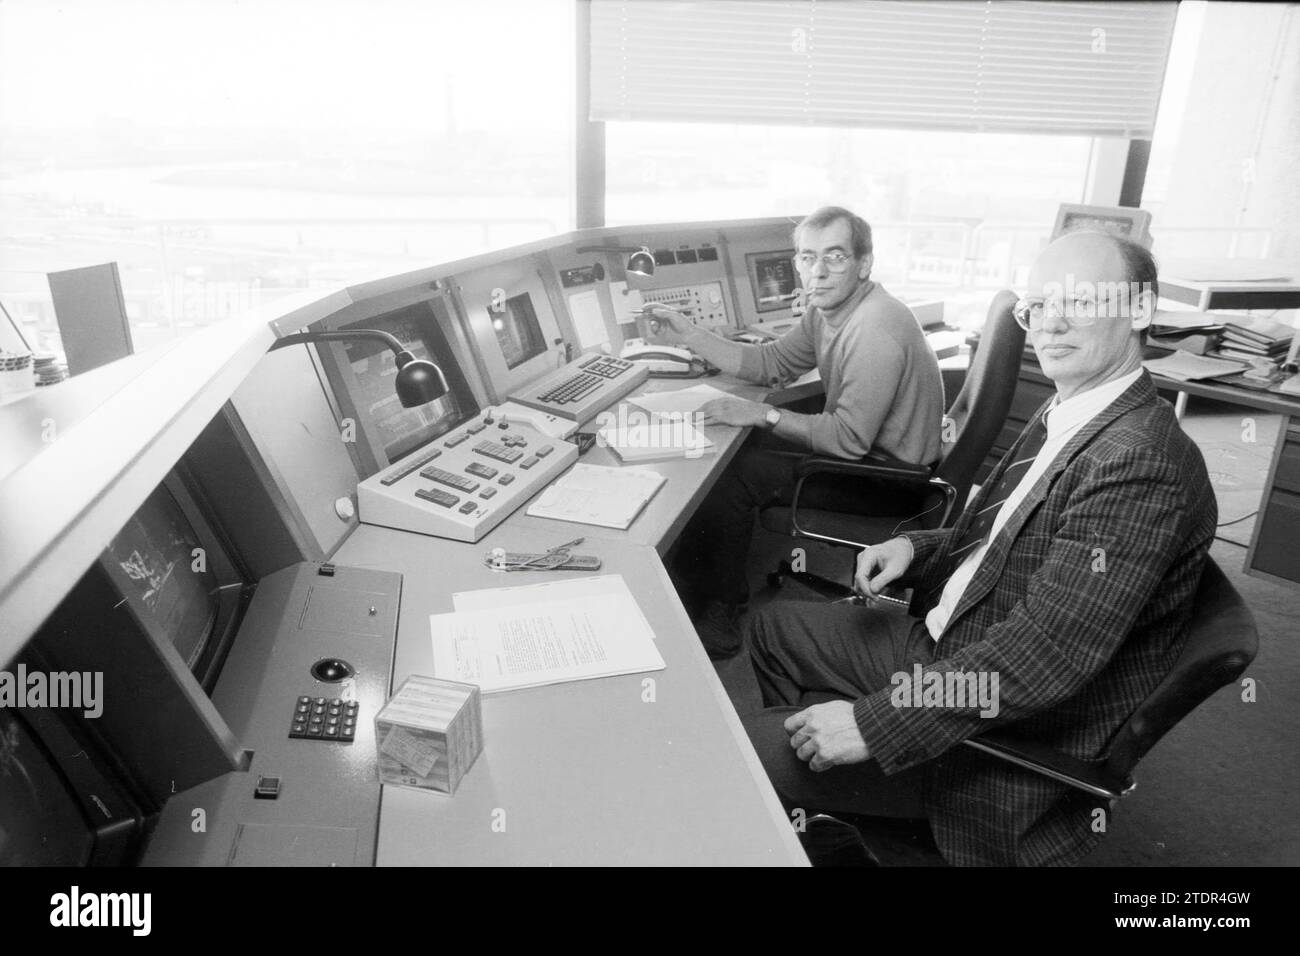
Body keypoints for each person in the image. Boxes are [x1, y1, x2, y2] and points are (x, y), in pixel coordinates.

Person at [744, 231, 1218, 866]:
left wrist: (875, 724)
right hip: (959, 645)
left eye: (1078, 300)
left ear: (1138, 309)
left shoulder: (1138, 462)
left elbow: (1045, 656)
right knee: (773, 628)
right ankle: (853, 805)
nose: (1051, 324)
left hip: (1004, 725)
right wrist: (917, 547)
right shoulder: (1073, 408)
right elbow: (1008, 537)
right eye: (1039, 306)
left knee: (746, 752)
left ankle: (894, 813)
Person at [647, 206, 945, 658]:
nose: (818, 272)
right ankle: (691, 590)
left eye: (835, 257)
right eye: (807, 258)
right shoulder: (828, 309)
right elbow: (773, 363)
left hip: (891, 481)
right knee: (746, 443)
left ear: (864, 264)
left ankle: (718, 613)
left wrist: (760, 415)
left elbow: (847, 440)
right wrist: (690, 333)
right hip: (872, 458)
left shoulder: (874, 327)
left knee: (733, 476)